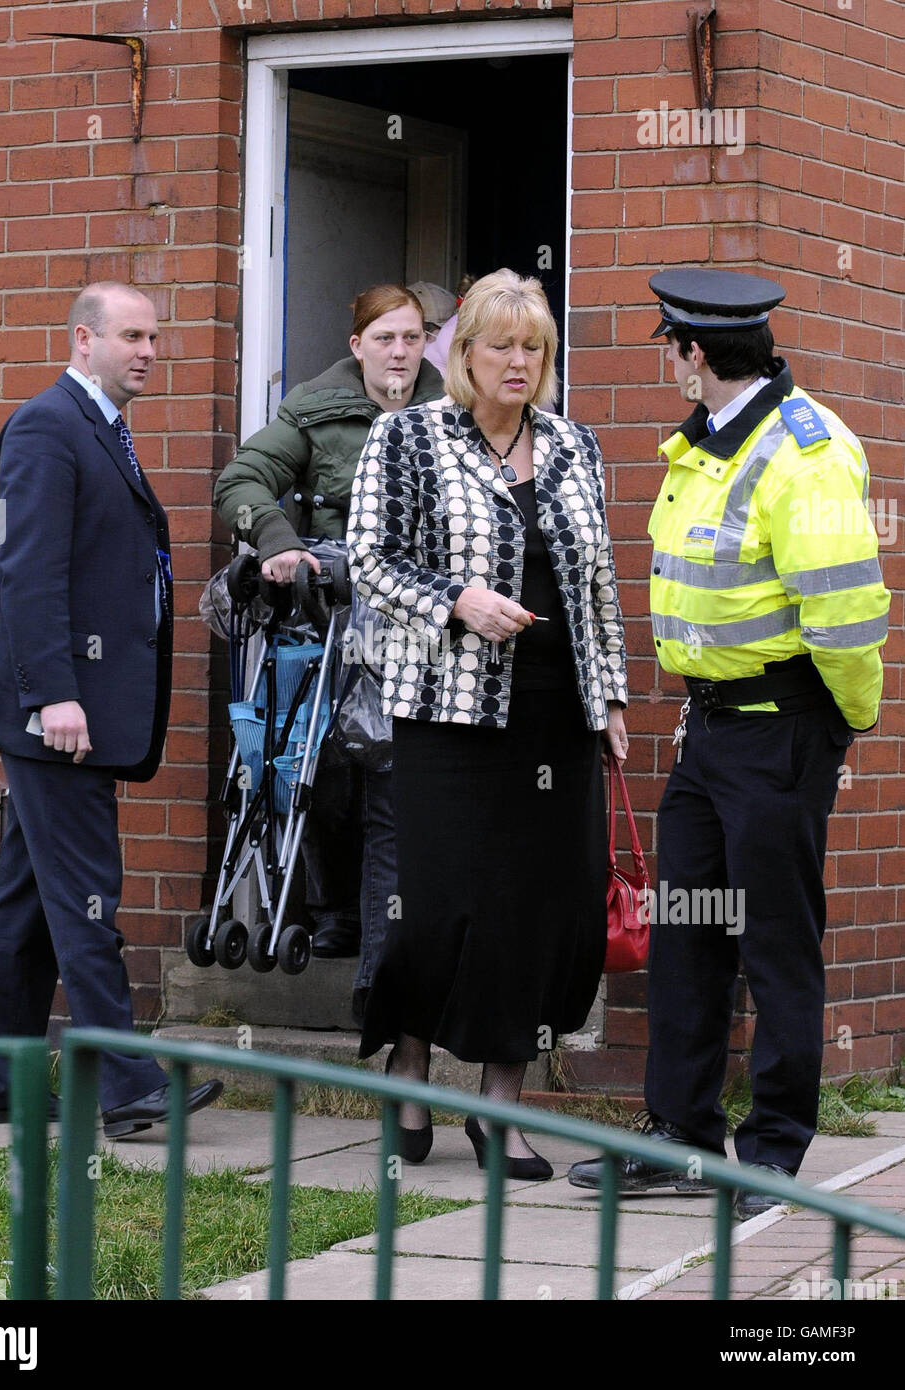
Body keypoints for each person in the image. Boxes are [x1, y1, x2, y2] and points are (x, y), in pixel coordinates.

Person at [568, 267, 889, 1216]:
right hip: (709, 733)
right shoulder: (708, 441)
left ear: (693, 353)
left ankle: (773, 1152)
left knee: (775, 940)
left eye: (669, 347)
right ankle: (680, 1136)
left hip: (778, 734)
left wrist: (843, 725)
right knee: (692, 931)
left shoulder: (804, 449)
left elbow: (846, 613)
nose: (668, 361)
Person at [348, 268, 629, 1179]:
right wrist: (457, 600)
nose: (518, 362)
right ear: (460, 352)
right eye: (500, 345)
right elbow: (370, 562)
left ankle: (499, 1110)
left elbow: (599, 583)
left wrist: (612, 696)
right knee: (437, 910)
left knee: (541, 914)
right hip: (449, 712)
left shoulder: (574, 444)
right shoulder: (407, 437)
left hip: (558, 716)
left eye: (533, 348)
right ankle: (412, 1059)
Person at [0, 281, 222, 1138]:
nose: (149, 351)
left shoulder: (101, 427)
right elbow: (26, 572)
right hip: (56, 714)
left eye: (155, 338)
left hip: (70, 708)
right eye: (132, 337)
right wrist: (55, 694)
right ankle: (127, 1083)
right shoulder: (47, 426)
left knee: (29, 899)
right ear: (84, 339)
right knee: (86, 895)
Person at [214, 286, 444, 1012]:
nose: (400, 353)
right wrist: (278, 543)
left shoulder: (455, 412)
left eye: (411, 337)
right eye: (385, 338)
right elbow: (242, 480)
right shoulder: (314, 411)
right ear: (358, 346)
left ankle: (384, 961)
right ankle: (333, 918)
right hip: (332, 627)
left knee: (396, 790)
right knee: (324, 778)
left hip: (421, 635)